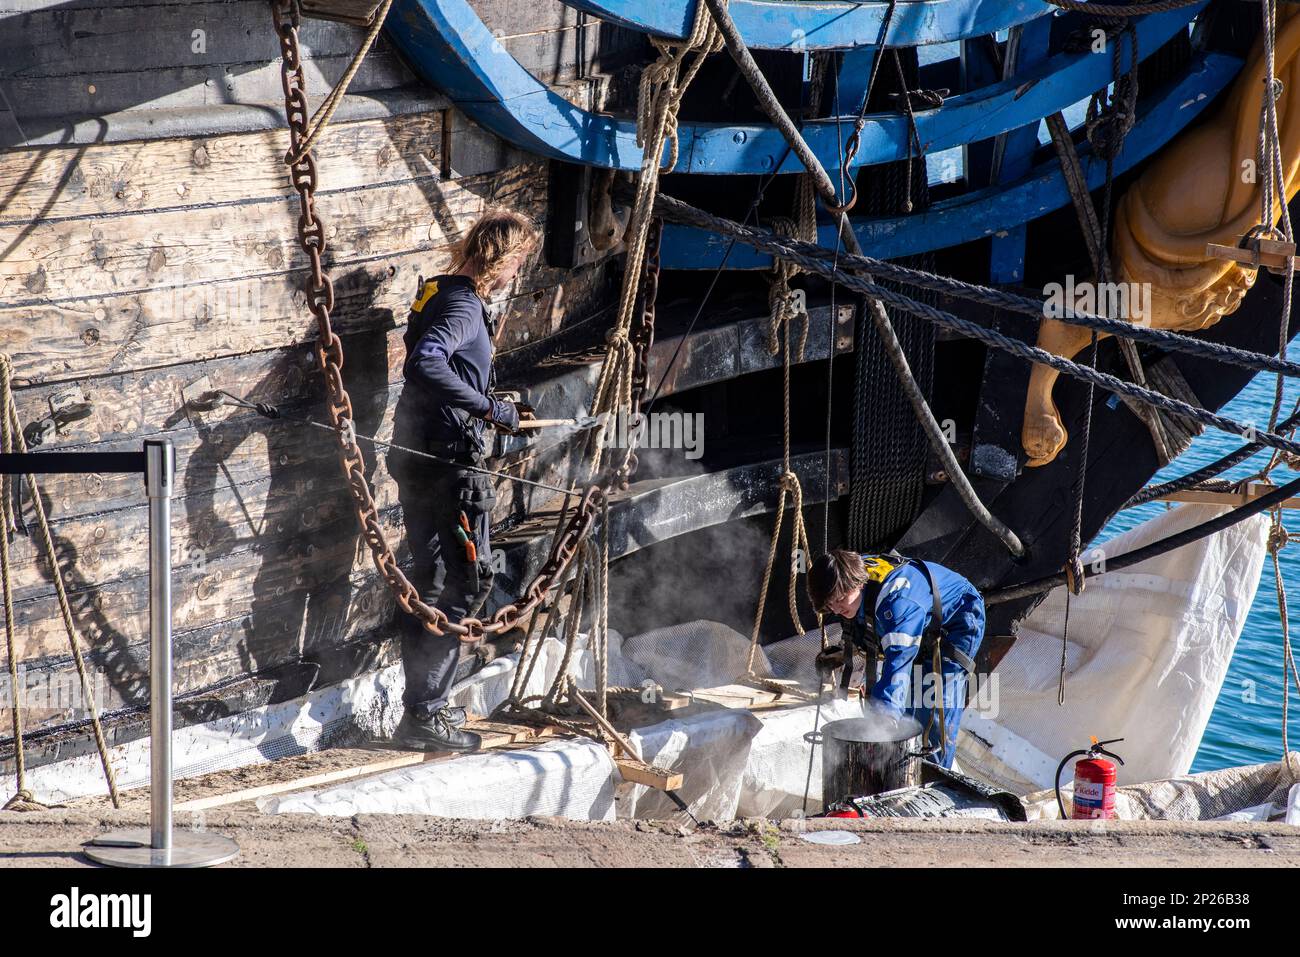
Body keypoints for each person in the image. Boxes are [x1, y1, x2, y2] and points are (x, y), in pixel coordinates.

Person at [387, 208, 539, 752]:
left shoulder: (437, 292)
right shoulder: (463, 305)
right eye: (518, 265)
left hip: (417, 454)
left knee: (428, 582)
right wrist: (489, 409)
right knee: (466, 585)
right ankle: (425, 713)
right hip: (450, 467)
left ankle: (421, 712)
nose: (516, 278)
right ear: (504, 258)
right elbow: (426, 361)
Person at [807, 549, 985, 768]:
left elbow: (898, 664)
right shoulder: (847, 576)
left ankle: (934, 775)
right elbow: (868, 629)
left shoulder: (897, 604)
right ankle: (902, 774)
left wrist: (883, 720)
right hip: (916, 618)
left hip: (956, 622)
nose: (836, 609)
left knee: (932, 708)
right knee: (907, 710)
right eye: (830, 605)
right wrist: (844, 653)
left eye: (841, 599)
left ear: (858, 583)